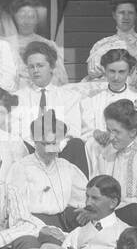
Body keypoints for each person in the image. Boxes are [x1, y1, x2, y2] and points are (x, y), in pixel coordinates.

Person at [84, 99, 137, 227]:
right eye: (109, 130)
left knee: (136, 211)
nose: (111, 137)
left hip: (131, 216)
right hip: (105, 212)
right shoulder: (106, 154)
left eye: (116, 132)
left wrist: (110, 208)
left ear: (132, 132)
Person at [12, 40, 86, 170]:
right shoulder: (18, 98)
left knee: (77, 144)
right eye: (31, 66)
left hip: (61, 149)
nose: (35, 70)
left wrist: (52, 148)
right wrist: (40, 148)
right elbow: (19, 130)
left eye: (40, 65)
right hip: (31, 149)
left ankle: (77, 188)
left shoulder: (68, 97)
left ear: (51, 67)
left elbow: (72, 130)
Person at [6, 111, 87, 229]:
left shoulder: (67, 167)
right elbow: (15, 209)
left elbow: (84, 196)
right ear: (34, 140)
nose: (50, 149)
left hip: (63, 224)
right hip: (31, 225)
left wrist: (87, 210)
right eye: (45, 144)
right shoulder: (21, 168)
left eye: (54, 143)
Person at [78, 49, 137, 147]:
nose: (116, 77)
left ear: (129, 71)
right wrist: (95, 133)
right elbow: (86, 134)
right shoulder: (92, 101)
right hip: (101, 153)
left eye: (121, 72)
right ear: (105, 70)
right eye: (112, 71)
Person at [85, 0, 137, 92]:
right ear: (114, 15)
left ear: (136, 15)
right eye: (121, 13)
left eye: (130, 13)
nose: (126, 17)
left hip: (131, 95)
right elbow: (92, 71)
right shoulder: (102, 44)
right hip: (100, 95)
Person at [6, 0, 68, 86]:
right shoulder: (6, 43)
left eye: (31, 17)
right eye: (22, 17)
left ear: (37, 19)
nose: (26, 22)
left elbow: (60, 77)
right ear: (15, 17)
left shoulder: (48, 44)